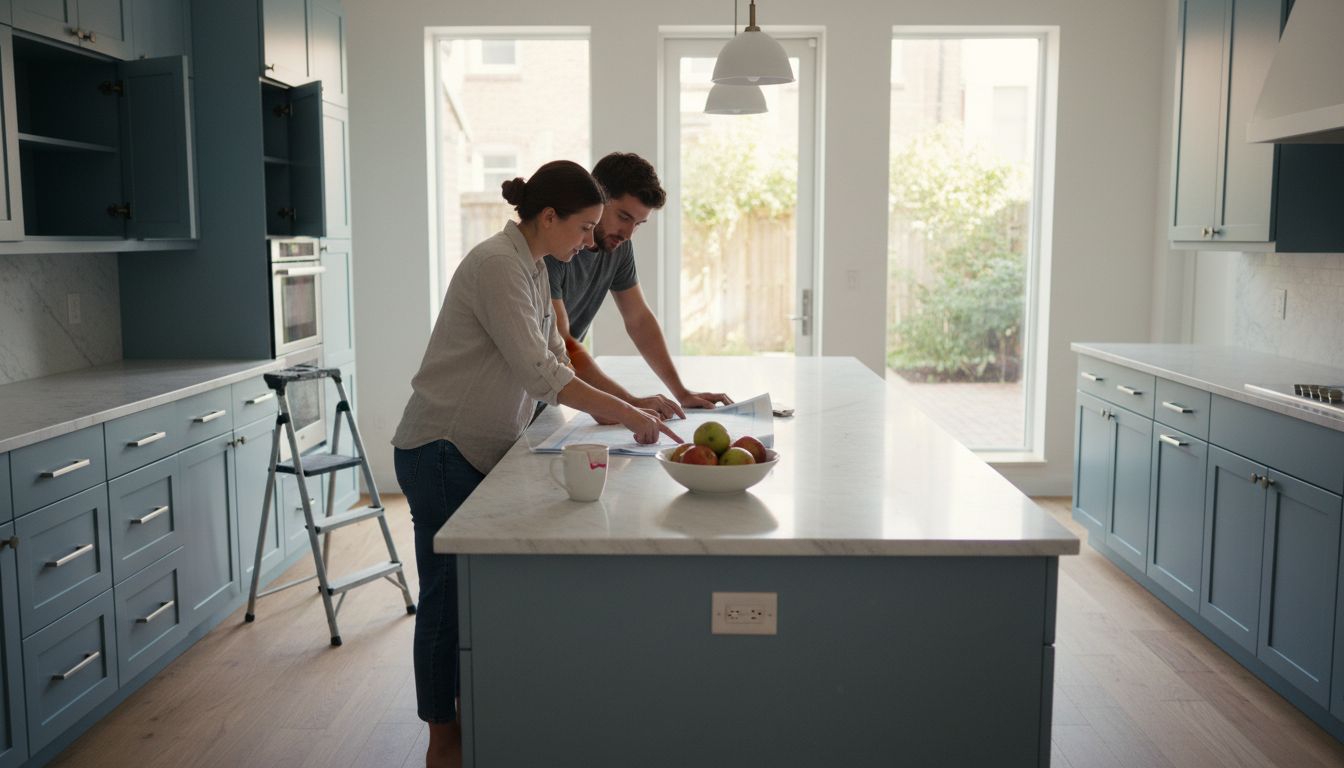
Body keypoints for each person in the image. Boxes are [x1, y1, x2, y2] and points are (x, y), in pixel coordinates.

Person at [391, 160, 682, 768]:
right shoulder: (499, 265)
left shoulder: (530, 264)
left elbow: (556, 354)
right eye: (583, 229)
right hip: (441, 448)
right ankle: (442, 741)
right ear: (548, 217)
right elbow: (542, 373)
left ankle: (472, 716)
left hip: (473, 449)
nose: (587, 245)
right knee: (445, 601)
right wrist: (626, 415)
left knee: (470, 594)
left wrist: (622, 406)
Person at [544, 152, 732, 421]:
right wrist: (628, 403)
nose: (629, 234)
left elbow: (639, 319)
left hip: (549, 388)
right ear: (596, 198)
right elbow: (563, 344)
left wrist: (681, 392)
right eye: (624, 217)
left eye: (639, 224)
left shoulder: (619, 246)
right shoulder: (555, 249)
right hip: (518, 387)